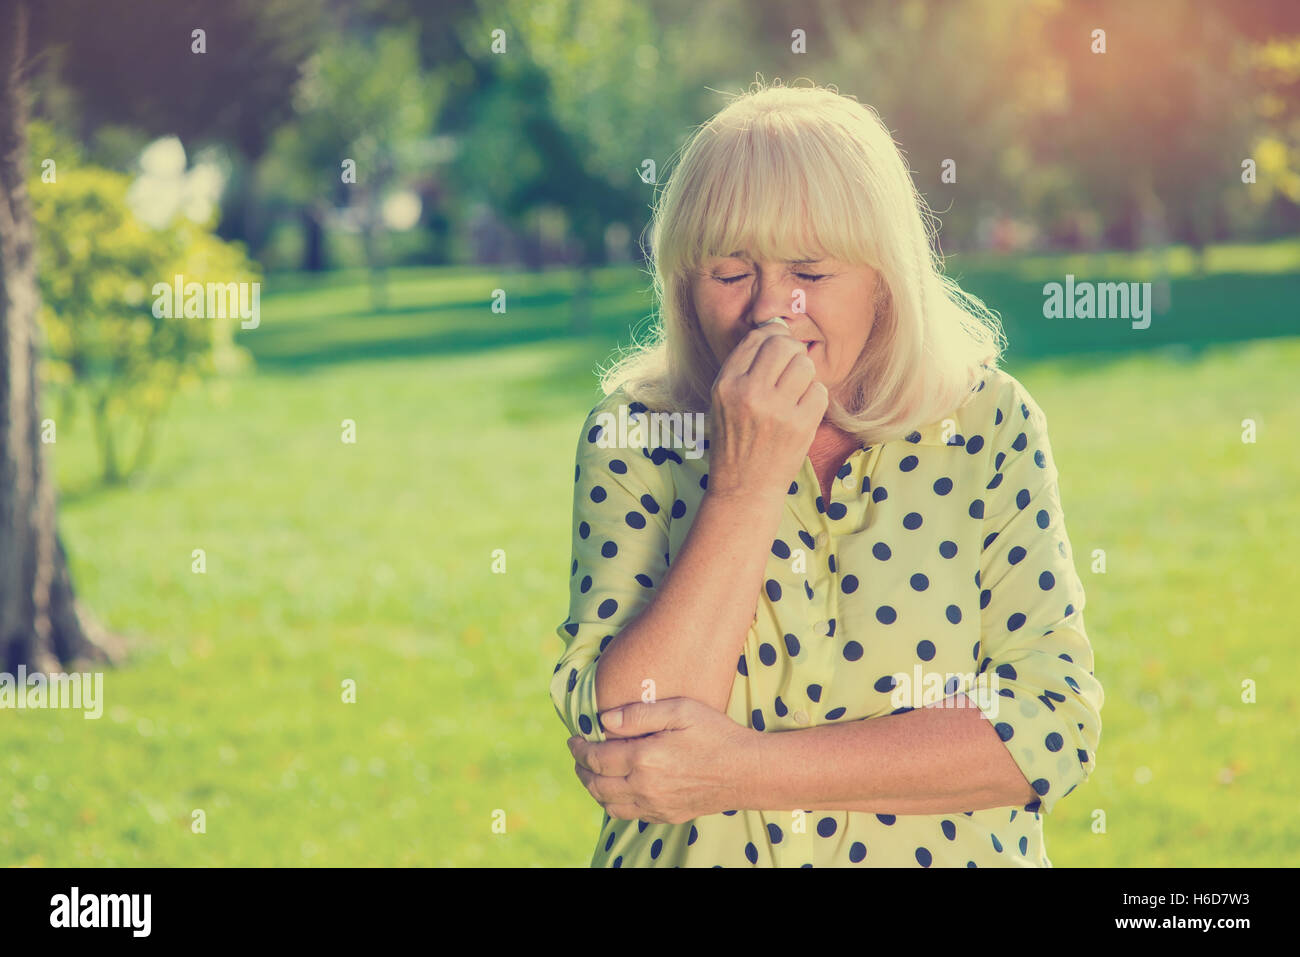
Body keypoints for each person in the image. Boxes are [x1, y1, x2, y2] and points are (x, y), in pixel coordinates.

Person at [550, 79, 1103, 867]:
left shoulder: (987, 423)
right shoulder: (637, 433)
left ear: (884, 278)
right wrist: (746, 483)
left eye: (811, 269)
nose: (773, 309)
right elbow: (627, 737)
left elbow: (1049, 727)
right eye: (730, 272)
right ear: (682, 281)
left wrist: (737, 770)